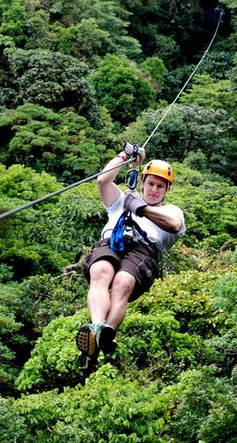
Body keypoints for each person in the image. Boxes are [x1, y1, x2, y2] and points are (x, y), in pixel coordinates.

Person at [76, 144, 185, 366]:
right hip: (113, 241)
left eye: (160, 186)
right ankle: (97, 328)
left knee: (122, 282)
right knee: (100, 270)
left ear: (167, 190)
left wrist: (141, 209)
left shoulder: (170, 211)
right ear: (142, 182)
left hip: (144, 250)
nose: (154, 189)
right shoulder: (121, 201)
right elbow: (102, 181)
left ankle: (108, 331)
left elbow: (174, 226)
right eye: (151, 184)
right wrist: (125, 155)